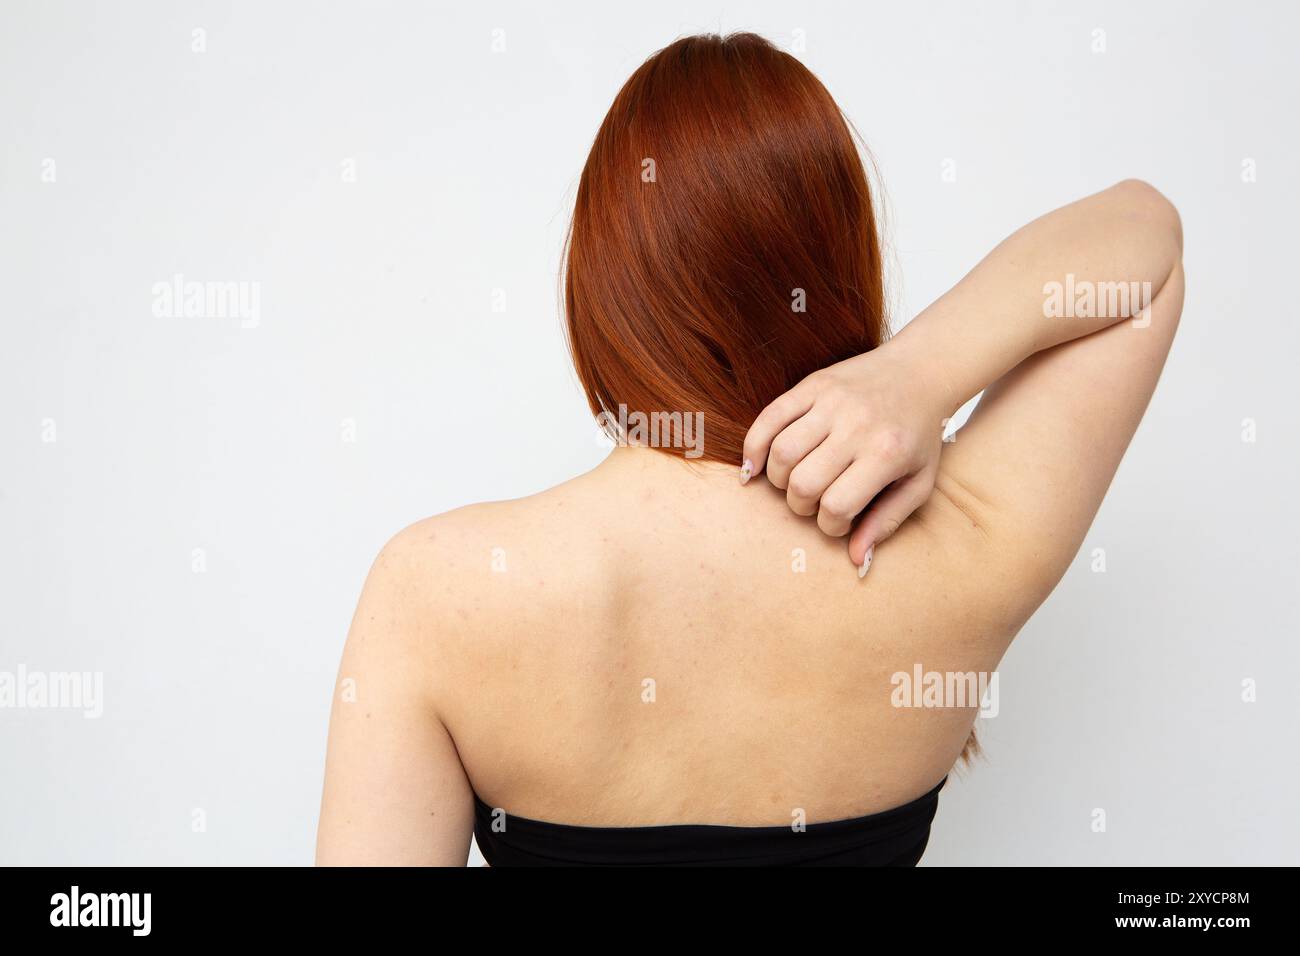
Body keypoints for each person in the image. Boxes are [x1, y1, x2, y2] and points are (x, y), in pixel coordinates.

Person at [316, 32, 1183, 866]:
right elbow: (1147, 236)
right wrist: (918, 372)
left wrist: (906, 383)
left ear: (602, 280)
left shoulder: (438, 593)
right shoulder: (966, 547)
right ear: (840, 264)